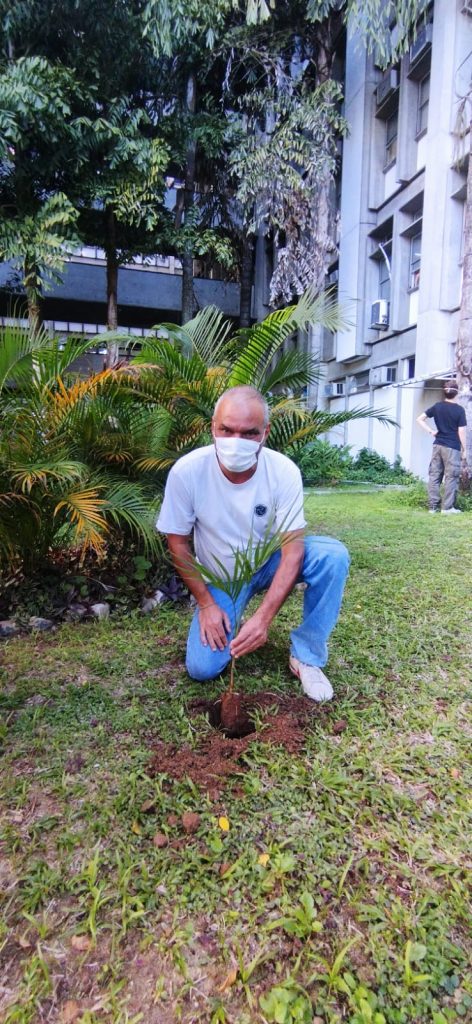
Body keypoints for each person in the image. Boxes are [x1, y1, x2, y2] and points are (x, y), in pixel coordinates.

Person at [156, 385, 350, 702]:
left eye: (249, 433)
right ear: (212, 428)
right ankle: (225, 610)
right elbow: (177, 543)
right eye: (226, 430)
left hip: (268, 563)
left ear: (265, 432)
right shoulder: (188, 472)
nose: (236, 441)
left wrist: (262, 619)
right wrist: (206, 604)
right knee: (202, 668)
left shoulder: (283, 471)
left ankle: (307, 656)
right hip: (222, 577)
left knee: (332, 556)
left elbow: (293, 550)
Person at [416, 380, 467, 514]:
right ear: (456, 393)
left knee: (434, 476)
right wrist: (465, 449)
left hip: (437, 445)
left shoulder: (437, 406)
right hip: (452, 447)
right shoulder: (459, 410)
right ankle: (447, 508)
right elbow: (461, 431)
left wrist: (431, 431)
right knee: (451, 477)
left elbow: (420, 419)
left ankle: (433, 508)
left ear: (445, 392)